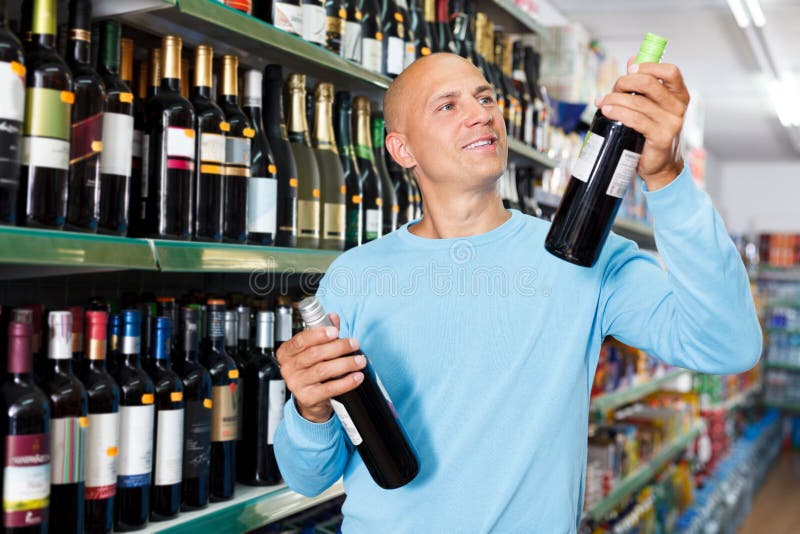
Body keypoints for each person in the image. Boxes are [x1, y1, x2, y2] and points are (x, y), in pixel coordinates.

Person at [273, 53, 761, 532]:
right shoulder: (355, 275)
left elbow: (728, 344)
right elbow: (308, 477)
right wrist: (310, 410)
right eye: (448, 105)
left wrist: (667, 177)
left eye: (485, 98)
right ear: (402, 150)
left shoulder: (581, 255)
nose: (482, 113)